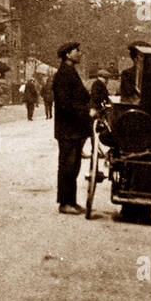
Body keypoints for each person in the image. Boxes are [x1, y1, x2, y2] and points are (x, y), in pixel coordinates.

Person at [53, 42, 93, 214]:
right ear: (68, 54)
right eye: (77, 51)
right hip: (67, 129)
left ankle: (72, 201)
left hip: (74, 130)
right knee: (67, 167)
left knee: (74, 167)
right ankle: (64, 203)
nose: (80, 53)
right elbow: (65, 104)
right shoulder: (63, 74)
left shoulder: (70, 72)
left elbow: (82, 95)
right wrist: (86, 112)